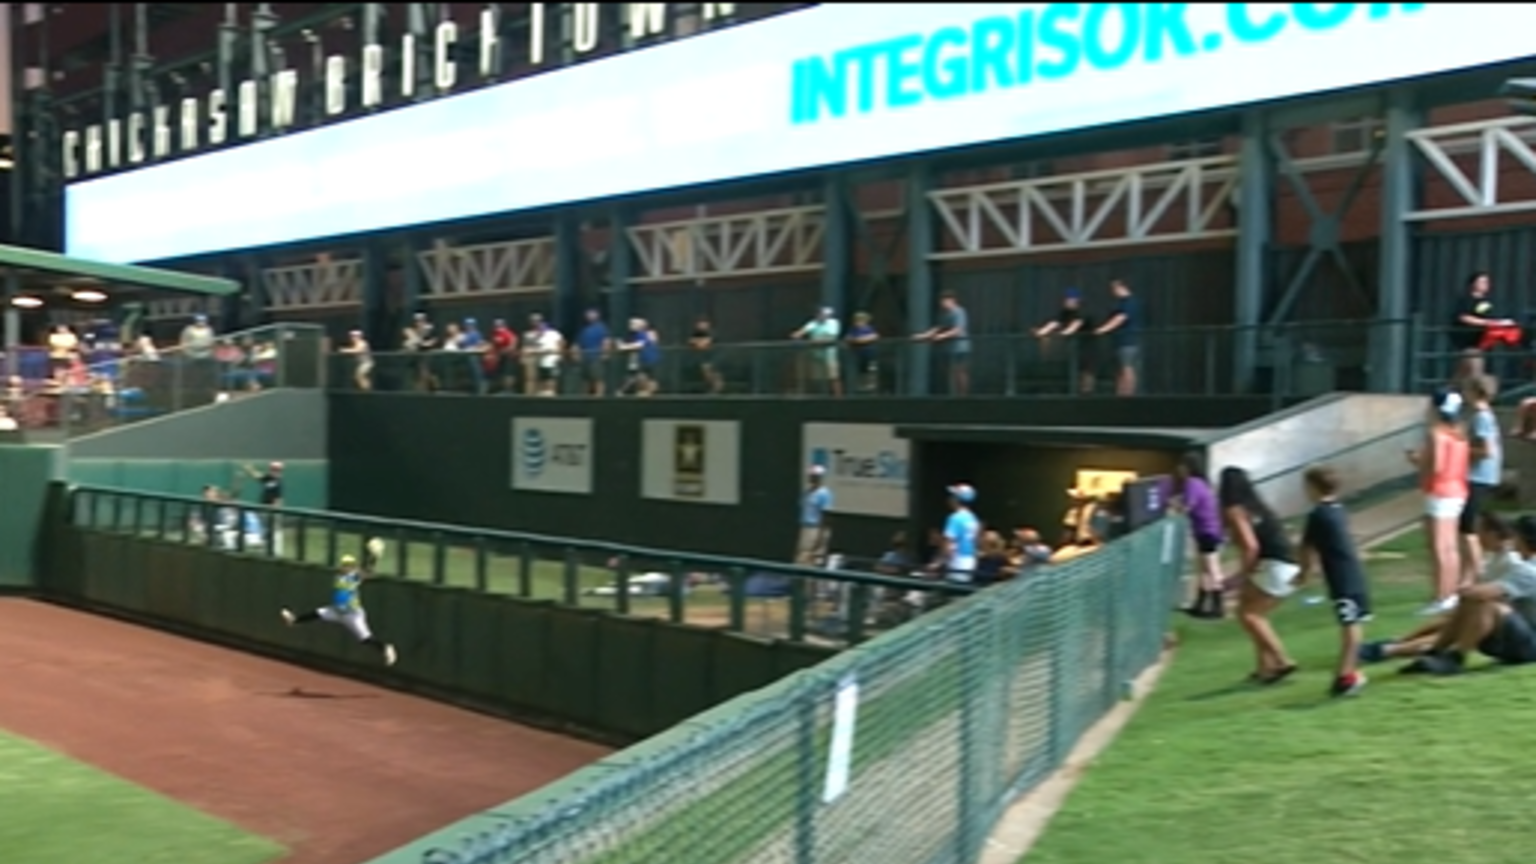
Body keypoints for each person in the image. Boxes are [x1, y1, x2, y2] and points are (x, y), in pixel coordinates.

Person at [1379, 513, 1536, 676]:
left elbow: (1483, 593)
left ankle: (1455, 656)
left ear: (1524, 538)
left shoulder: (1529, 571)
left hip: (1530, 647)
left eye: (1516, 535)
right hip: (1514, 638)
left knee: (1485, 604)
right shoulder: (1524, 565)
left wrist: (1466, 590)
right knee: (1475, 601)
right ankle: (1437, 652)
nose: (1512, 540)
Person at [1218, 466, 1300, 683]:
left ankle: (1282, 660)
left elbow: (1251, 547)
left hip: (1275, 566)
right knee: (1252, 613)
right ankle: (1264, 669)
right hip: (1286, 564)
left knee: (1249, 615)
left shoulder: (1234, 510)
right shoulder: (1256, 507)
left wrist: (1240, 578)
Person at [1297, 465, 1372, 696]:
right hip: (1356, 575)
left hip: (1342, 579)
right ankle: (1348, 673)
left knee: (1349, 627)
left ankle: (1344, 678)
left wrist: (1304, 574)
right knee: (1355, 625)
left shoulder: (1317, 515)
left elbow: (1306, 549)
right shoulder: (1340, 509)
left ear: (1313, 488)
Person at [1409, 388, 1470, 616]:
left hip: (1440, 492)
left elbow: (1436, 467)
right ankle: (1450, 594)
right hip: (1458, 490)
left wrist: (1418, 462)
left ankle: (1441, 596)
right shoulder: (1459, 433)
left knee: (1438, 547)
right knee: (1450, 547)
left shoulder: (1436, 433)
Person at [281, 550, 398, 667]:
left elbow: (367, 572)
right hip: (336, 611)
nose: (345, 567)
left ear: (353, 567)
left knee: (365, 639)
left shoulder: (354, 576)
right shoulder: (339, 576)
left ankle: (385, 648)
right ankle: (294, 620)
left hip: (352, 614)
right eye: (344, 564)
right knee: (318, 613)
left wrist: (373, 557)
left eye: (348, 565)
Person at [1460, 375, 1501, 588]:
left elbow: (1486, 451)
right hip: (1481, 477)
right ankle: (1467, 579)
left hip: (1478, 477)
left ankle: (1478, 575)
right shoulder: (1482, 415)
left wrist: (1459, 450)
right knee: (1468, 528)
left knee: (1468, 530)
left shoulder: (1481, 417)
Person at [1176, 454, 1225, 620]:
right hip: (1209, 530)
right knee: (1204, 569)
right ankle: (1200, 604)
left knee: (1211, 568)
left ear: (1187, 467)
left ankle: (1218, 607)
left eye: (1181, 466)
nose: (1179, 469)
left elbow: (1187, 506)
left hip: (1206, 531)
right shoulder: (1203, 484)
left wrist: (1174, 507)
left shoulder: (1192, 483)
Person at [1449, 271, 1512, 384]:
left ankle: (1450, 393)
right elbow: (1464, 317)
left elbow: (1494, 319)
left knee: (1464, 372)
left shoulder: (1489, 302)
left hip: (1485, 343)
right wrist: (1487, 323)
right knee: (1474, 370)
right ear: (1473, 284)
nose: (1486, 284)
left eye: (1487, 282)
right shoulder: (1465, 300)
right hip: (1469, 343)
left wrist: (1501, 324)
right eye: (1482, 281)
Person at [1033, 288, 1098, 394]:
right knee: (1077, 371)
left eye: (1070, 299)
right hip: (1076, 349)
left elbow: (1073, 328)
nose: (1066, 301)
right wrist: (1041, 332)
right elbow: (1054, 323)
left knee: (1087, 371)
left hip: (1088, 347)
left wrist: (1060, 334)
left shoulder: (1084, 313)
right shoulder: (1065, 313)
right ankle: (1078, 393)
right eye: (1066, 299)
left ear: (1077, 301)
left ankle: (1088, 393)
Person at [914, 291, 971, 396]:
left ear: (952, 300)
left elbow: (957, 330)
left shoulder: (959, 312)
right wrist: (924, 336)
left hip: (960, 347)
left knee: (960, 371)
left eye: (945, 300)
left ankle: (963, 395)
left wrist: (941, 337)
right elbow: (939, 328)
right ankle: (953, 393)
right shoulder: (946, 314)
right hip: (950, 349)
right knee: (951, 372)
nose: (943, 303)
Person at [1093, 279, 1141, 396]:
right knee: (1122, 369)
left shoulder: (1129, 303)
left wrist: (1102, 329)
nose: (1113, 292)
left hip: (1128, 341)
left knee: (1127, 367)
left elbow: (1120, 319)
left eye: (1115, 288)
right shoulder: (1123, 303)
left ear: (1122, 287)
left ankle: (1128, 394)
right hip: (1123, 341)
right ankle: (1121, 393)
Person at [941, 483, 982, 583]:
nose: (950, 499)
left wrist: (940, 563)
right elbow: (977, 542)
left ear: (957, 499)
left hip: (957, 560)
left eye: (952, 496)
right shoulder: (973, 518)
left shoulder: (955, 518)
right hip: (970, 560)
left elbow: (948, 544)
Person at [795, 465, 833, 567]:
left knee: (810, 557)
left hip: (815, 528)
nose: (812, 478)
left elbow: (826, 514)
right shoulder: (806, 493)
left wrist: (821, 535)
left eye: (815, 476)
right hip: (805, 527)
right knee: (802, 556)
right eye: (811, 476)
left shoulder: (824, 493)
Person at [846, 312, 880, 394]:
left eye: (860, 320)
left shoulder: (869, 329)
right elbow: (848, 338)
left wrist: (860, 340)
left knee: (871, 372)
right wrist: (856, 340)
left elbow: (875, 336)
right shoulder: (854, 330)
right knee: (859, 373)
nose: (858, 322)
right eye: (856, 320)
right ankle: (859, 389)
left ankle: (872, 388)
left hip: (869, 354)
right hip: (858, 355)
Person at [689, 316, 723, 394]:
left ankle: (717, 388)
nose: (701, 325)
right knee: (705, 370)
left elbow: (705, 343)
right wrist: (698, 343)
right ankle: (710, 388)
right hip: (702, 358)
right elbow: (691, 341)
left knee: (710, 370)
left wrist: (700, 343)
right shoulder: (696, 333)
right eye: (699, 323)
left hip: (714, 357)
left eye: (703, 323)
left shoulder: (712, 333)